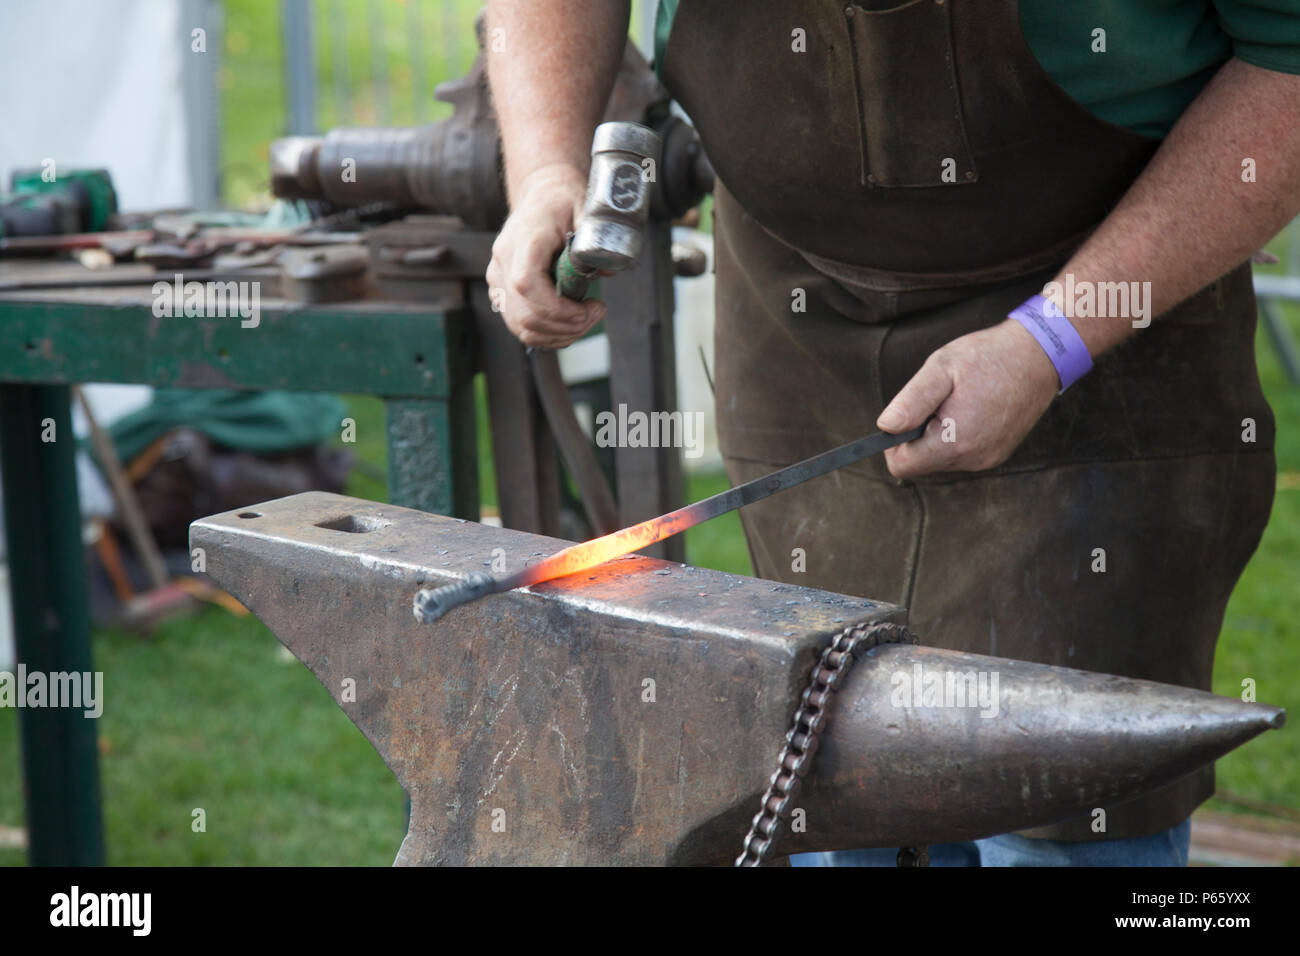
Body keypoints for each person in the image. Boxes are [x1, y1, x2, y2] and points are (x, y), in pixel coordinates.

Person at [482, 0, 1300, 865]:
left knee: (1063, 806)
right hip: (799, 307)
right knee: (831, 779)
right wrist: (544, 167)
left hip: (1114, 292)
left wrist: (1051, 341)